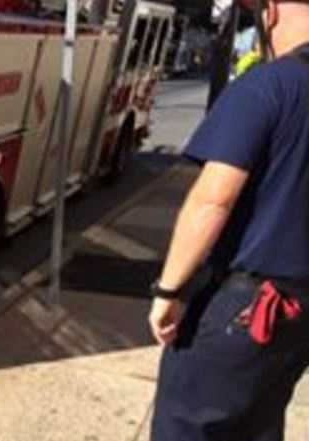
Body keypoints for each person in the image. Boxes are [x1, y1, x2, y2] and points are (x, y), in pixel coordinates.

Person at [147, 1, 309, 440]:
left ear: (271, 11)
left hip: (245, 307)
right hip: (299, 316)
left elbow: (212, 201)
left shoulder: (267, 86)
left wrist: (169, 290)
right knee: (258, 423)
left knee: (189, 426)